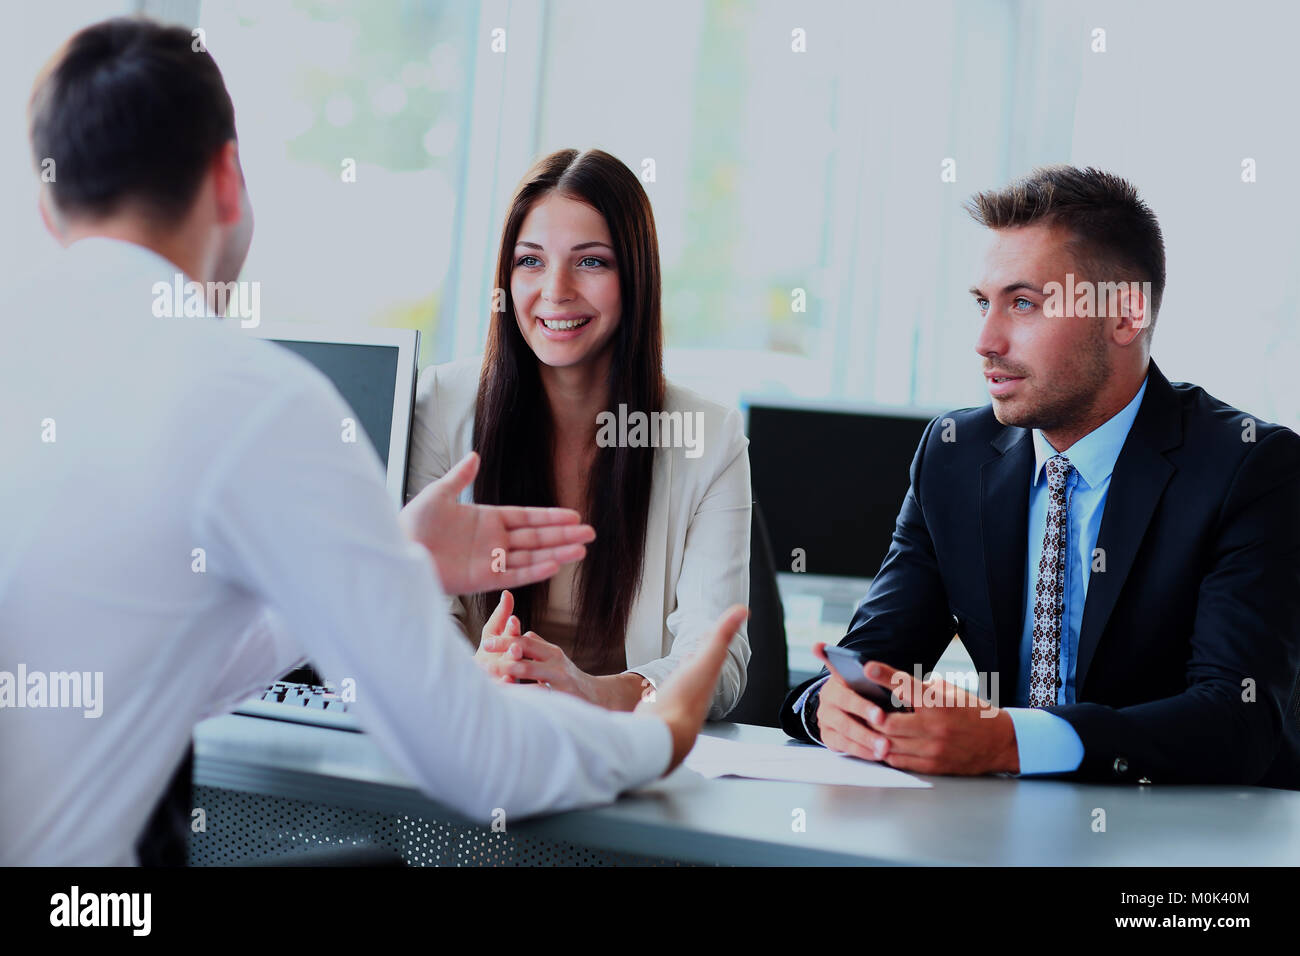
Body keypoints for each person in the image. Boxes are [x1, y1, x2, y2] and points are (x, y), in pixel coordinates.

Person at [0, 16, 746, 866]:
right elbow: (480, 759)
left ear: (46, 203)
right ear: (229, 179)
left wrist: (393, 554)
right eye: (531, 261)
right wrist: (663, 733)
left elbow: (147, 673)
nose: (556, 291)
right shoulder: (255, 400)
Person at [781, 165, 1300, 788]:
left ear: (1124, 317)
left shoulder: (1250, 467)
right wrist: (830, 708)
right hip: (997, 826)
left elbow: (1238, 723)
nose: (985, 340)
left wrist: (1010, 740)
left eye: (1022, 303)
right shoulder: (954, 454)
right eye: (983, 303)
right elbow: (872, 661)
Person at [405, 149, 752, 718]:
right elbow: (415, 611)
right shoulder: (438, 406)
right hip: (471, 734)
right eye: (530, 261)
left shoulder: (708, 437)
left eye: (591, 263)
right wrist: (474, 671)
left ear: (635, 278)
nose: (556, 290)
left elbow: (719, 657)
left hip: (616, 756)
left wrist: (595, 689)